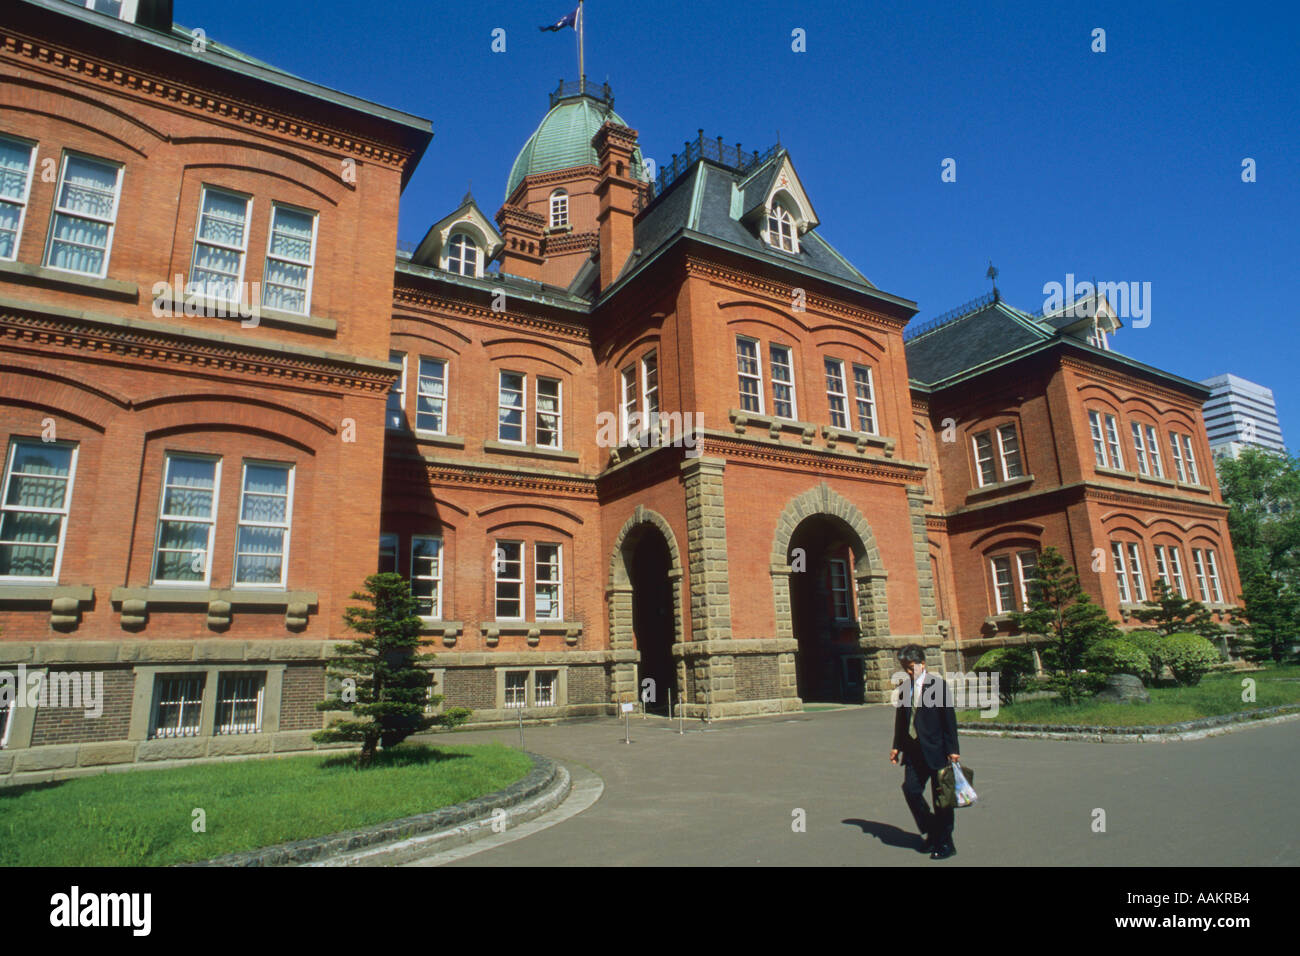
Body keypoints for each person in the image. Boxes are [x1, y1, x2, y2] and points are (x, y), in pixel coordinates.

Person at [889, 644, 961, 860]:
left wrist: (953, 750)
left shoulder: (937, 686)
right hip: (913, 752)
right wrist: (896, 746)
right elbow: (901, 721)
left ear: (922, 663)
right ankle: (933, 830)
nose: (910, 672)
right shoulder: (904, 688)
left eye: (912, 667)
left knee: (942, 801)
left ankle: (946, 843)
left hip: (936, 750)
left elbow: (949, 720)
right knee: (911, 790)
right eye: (906, 668)